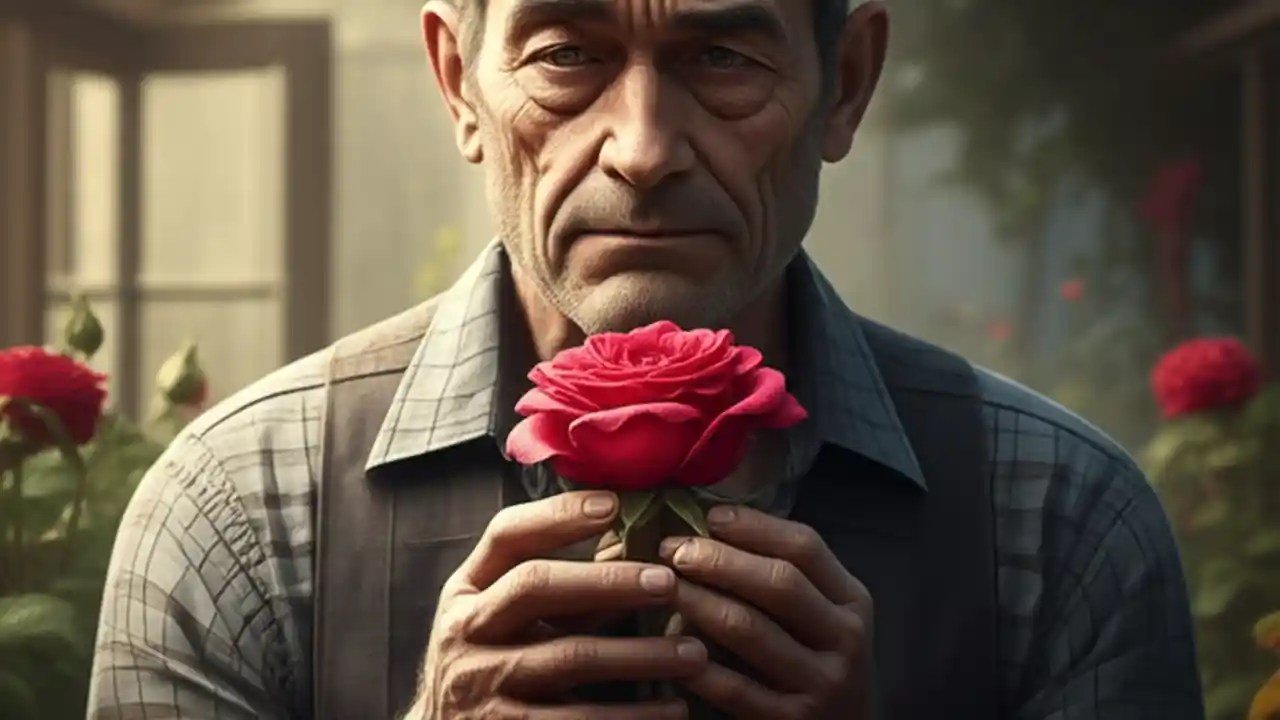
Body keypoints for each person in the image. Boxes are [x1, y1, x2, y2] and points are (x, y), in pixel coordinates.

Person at [87, 0, 1206, 718]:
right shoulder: (237, 507)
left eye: (719, 57)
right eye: (566, 54)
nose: (641, 151)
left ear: (847, 83)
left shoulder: (1060, 516)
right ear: (456, 84)